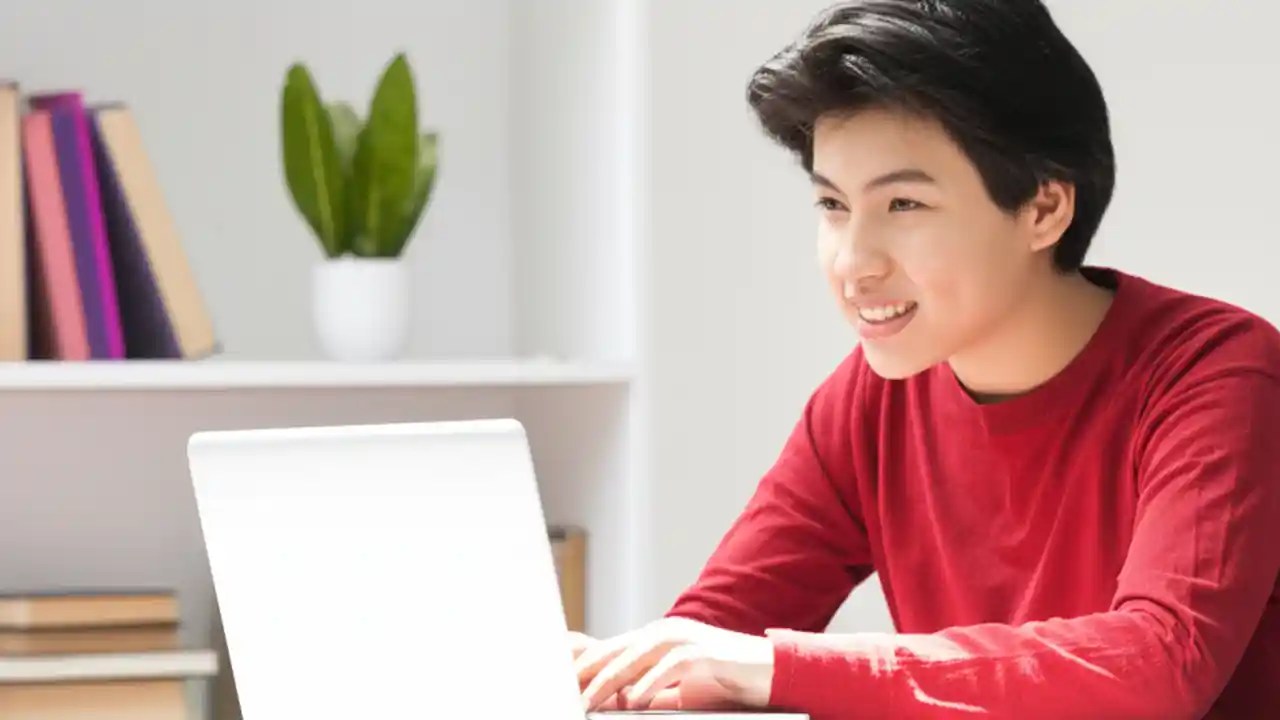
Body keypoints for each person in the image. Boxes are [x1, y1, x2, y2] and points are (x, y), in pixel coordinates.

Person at [572, 1, 1280, 718]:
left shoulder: (1218, 373)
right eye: (831, 205)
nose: (853, 265)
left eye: (903, 205)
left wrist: (776, 666)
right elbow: (712, 643)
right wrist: (605, 676)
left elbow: (1159, 665)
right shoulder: (870, 399)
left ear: (1043, 209)